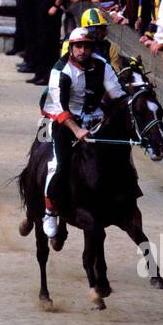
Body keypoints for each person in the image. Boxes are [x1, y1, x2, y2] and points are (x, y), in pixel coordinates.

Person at [38, 26, 126, 238]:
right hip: (66, 124)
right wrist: (77, 130)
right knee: (59, 164)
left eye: (86, 46)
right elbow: (58, 108)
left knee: (121, 157)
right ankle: (50, 211)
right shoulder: (60, 70)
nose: (82, 51)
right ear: (71, 47)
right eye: (78, 46)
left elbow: (117, 94)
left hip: (96, 121)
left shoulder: (102, 65)